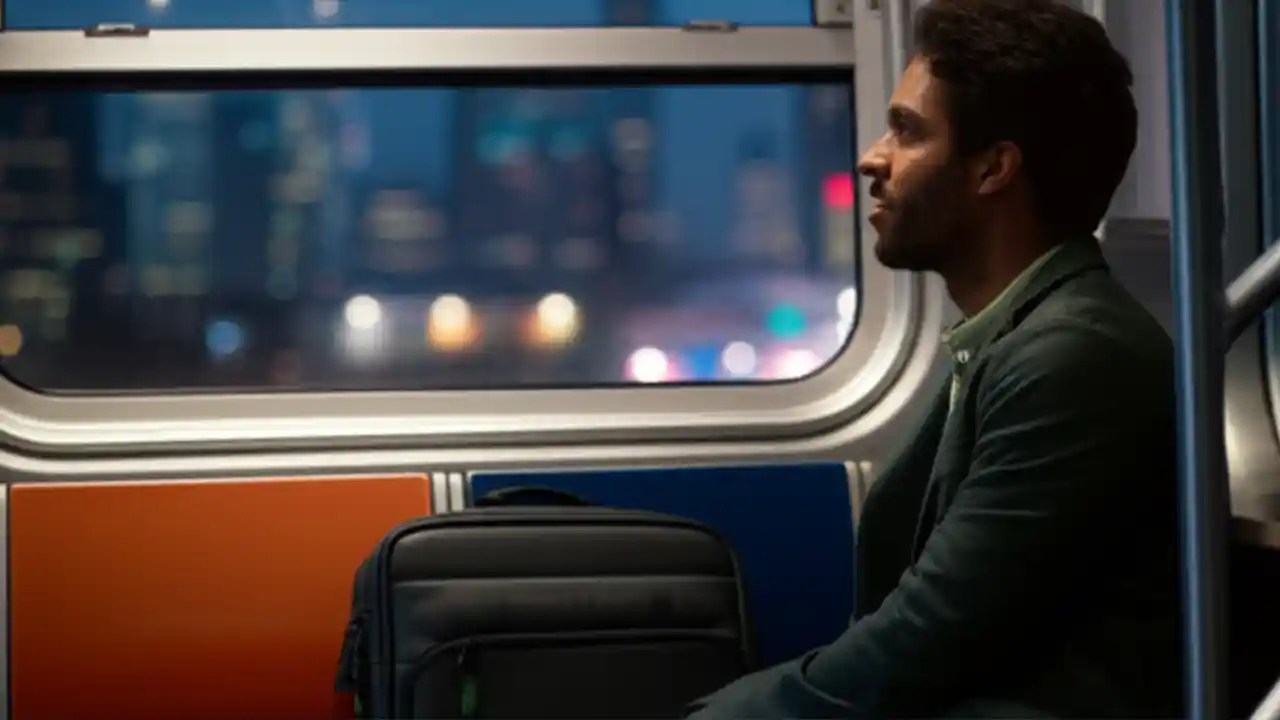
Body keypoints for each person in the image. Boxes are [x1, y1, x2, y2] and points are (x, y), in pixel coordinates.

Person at [683, 0, 1183, 717]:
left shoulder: (1074, 358)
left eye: (908, 131)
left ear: (993, 170)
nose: (872, 158)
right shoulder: (1013, 335)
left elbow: (928, 635)